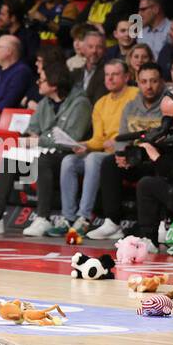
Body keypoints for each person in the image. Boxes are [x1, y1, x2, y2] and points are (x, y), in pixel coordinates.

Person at [0, 57, 92, 236]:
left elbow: (71, 139)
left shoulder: (80, 103)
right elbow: (30, 132)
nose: (38, 83)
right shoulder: (44, 103)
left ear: (54, 83)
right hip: (45, 153)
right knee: (10, 158)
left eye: (42, 80)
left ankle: (43, 218)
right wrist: (40, 139)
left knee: (42, 160)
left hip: (69, 157)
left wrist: (41, 139)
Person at [63, 62, 164, 235]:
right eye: (144, 81)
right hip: (133, 156)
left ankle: (162, 223)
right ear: (138, 82)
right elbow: (116, 136)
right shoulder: (124, 105)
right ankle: (109, 222)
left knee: (98, 160)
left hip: (156, 157)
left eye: (153, 81)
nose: (148, 86)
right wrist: (120, 154)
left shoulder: (163, 103)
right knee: (104, 163)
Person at [48, 59, 136, 233]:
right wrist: (84, 145)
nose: (110, 79)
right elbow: (98, 139)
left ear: (126, 77)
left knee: (94, 159)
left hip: (125, 151)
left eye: (115, 74)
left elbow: (139, 127)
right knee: (69, 161)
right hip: (105, 152)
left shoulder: (135, 95)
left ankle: (85, 217)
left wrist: (121, 141)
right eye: (107, 75)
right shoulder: (101, 103)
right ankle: (68, 218)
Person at [127, 92, 173, 249]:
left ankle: (157, 234)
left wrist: (157, 157)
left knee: (147, 184)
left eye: (171, 117)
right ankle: (152, 236)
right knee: (148, 181)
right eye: (164, 116)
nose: (167, 122)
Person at [70, 26, 109, 104]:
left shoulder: (108, 73)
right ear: (83, 49)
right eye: (90, 47)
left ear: (105, 50)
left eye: (99, 47)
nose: (94, 51)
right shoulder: (75, 73)